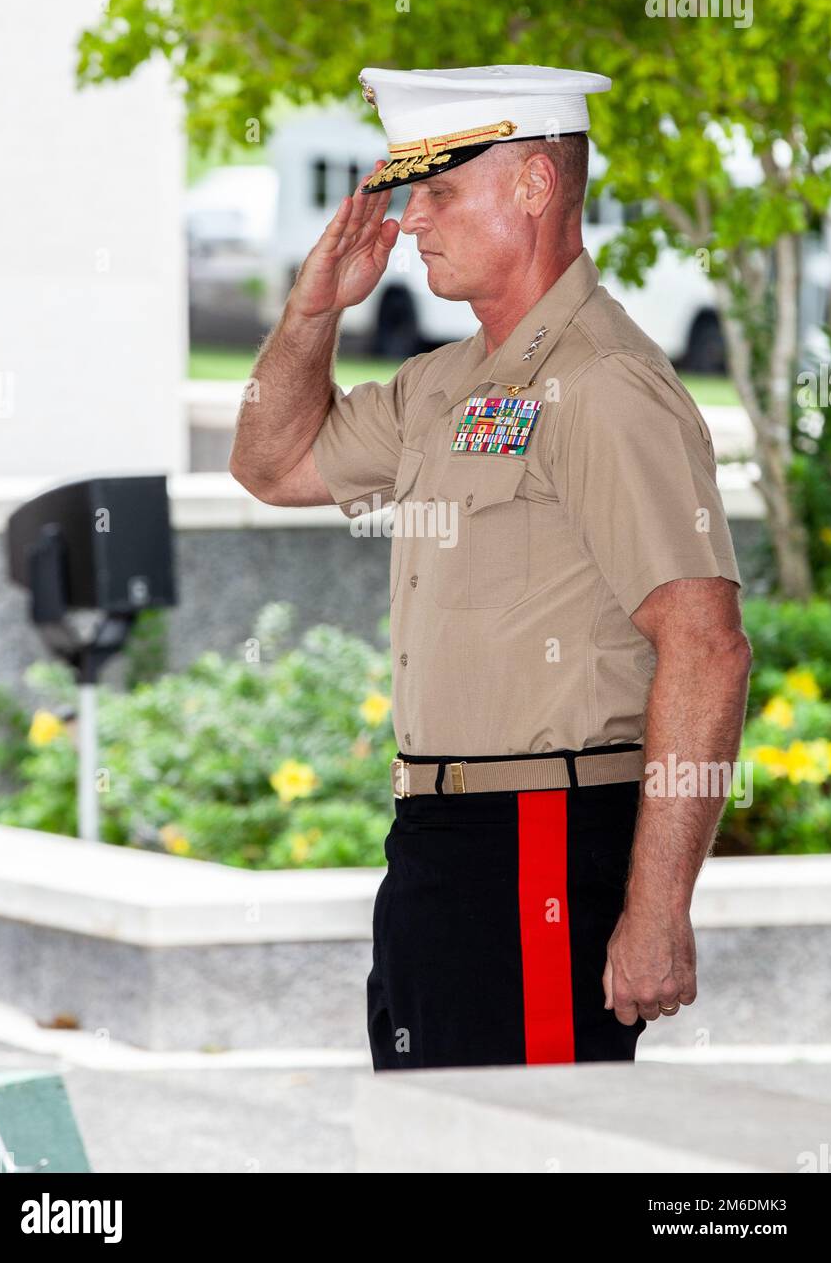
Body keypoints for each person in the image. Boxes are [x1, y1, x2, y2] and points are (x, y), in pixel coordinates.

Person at [229, 64, 752, 1071]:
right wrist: (310, 315)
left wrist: (654, 911)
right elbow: (271, 465)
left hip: (545, 845)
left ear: (532, 186)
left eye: (436, 191)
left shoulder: (602, 385)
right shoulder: (446, 382)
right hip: (438, 846)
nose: (411, 221)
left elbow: (705, 644)